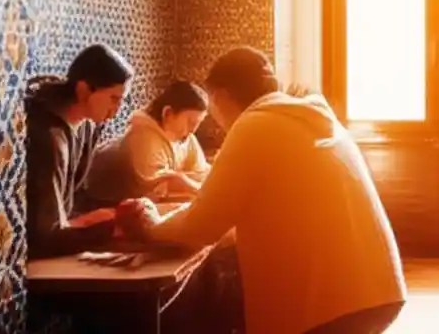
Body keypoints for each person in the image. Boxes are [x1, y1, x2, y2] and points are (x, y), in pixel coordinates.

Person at [119, 46, 406, 334]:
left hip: (332, 303)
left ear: (220, 96)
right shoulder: (311, 117)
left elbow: (201, 226)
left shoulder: (254, 125)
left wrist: (152, 226)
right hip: (377, 290)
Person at [25, 43, 134, 258]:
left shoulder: (89, 125)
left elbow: (72, 201)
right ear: (83, 90)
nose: (117, 110)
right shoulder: (47, 136)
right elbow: (45, 238)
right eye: (113, 98)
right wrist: (113, 228)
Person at [86, 80, 212, 204]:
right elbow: (162, 184)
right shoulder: (143, 137)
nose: (193, 130)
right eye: (190, 122)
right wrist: (200, 190)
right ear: (168, 113)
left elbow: (202, 173)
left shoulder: (185, 136)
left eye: (197, 123)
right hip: (97, 198)